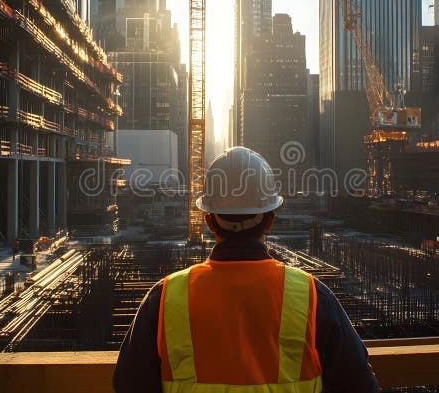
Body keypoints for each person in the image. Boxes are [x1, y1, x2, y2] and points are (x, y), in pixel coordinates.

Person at [113, 147, 379, 393]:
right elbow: (359, 384)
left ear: (208, 220)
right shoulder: (311, 296)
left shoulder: (165, 298)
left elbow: (129, 383)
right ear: (270, 220)